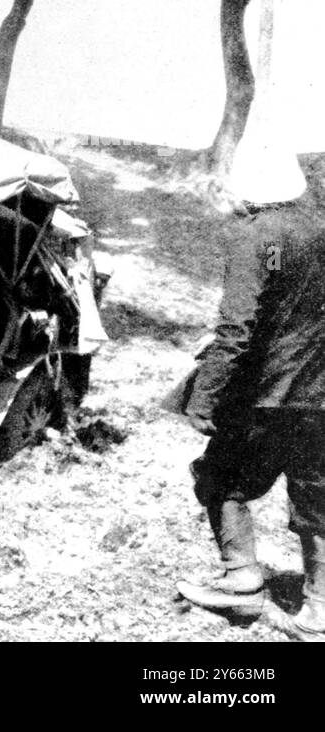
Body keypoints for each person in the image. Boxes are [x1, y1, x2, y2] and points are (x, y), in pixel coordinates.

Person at [171, 143, 324, 642]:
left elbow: (237, 328)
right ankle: (319, 609)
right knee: (315, 493)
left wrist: (204, 397)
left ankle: (241, 579)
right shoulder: (319, 230)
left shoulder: (256, 237)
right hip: (320, 393)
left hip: (269, 393)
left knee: (217, 476)